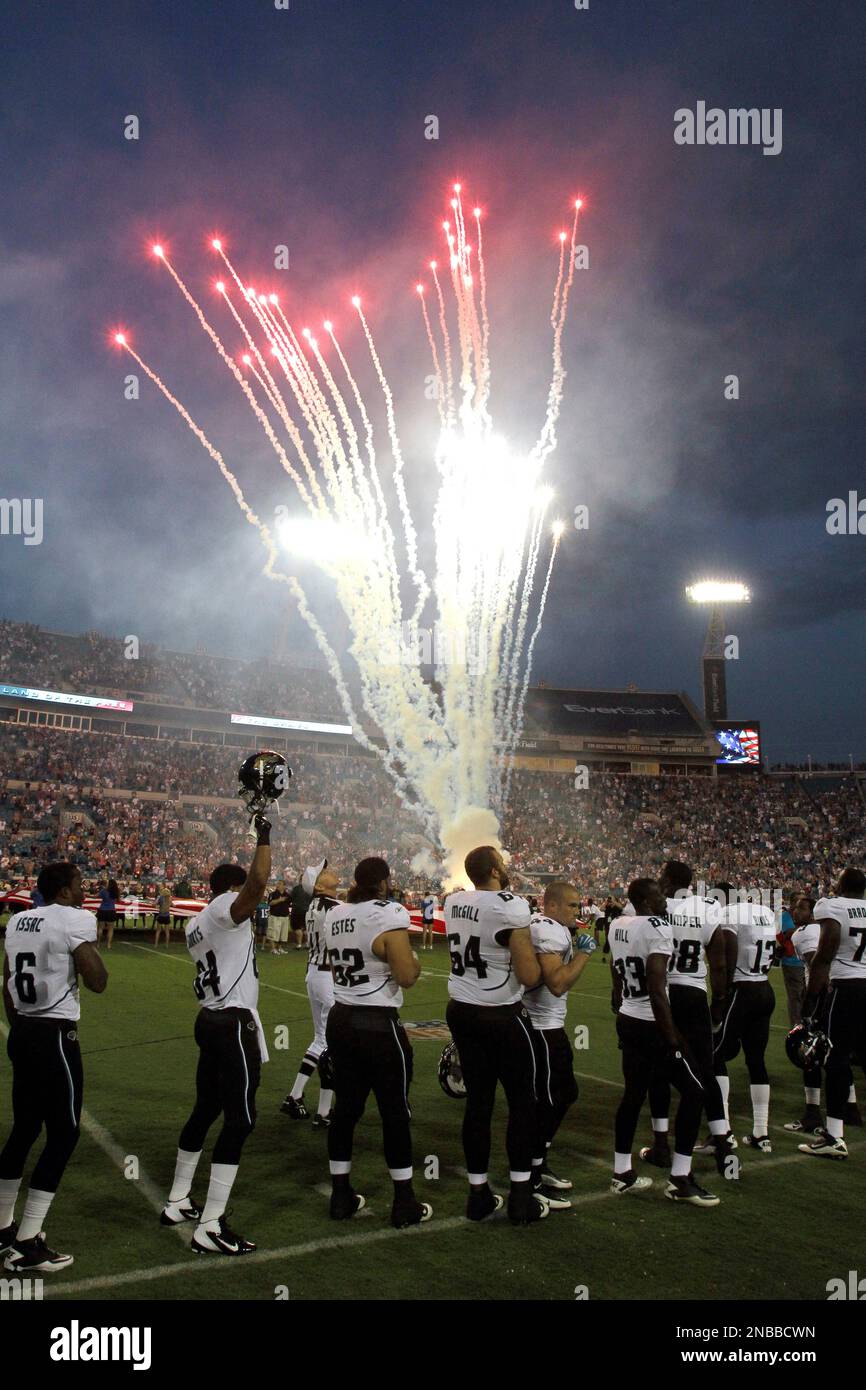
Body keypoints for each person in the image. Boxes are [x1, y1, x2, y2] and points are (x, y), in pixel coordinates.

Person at [160, 813, 272, 1254]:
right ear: (231, 887)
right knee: (240, 1118)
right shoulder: (228, 907)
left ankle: (177, 1200)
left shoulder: (196, 923)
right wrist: (264, 833)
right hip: (231, 1021)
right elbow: (257, 886)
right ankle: (210, 1225)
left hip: (208, 1019)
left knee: (205, 1109)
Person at [1, 862, 108, 1272]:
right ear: (64, 890)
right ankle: (27, 1243)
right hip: (55, 1034)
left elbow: (7, 981)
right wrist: (87, 950)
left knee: (24, 1129)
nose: (85, 889)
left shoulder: (19, 920)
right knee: (64, 1134)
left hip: (23, 1030)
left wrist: (20, 1028)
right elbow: (98, 981)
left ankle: (2, 1227)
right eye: (80, 883)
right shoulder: (74, 919)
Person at [444, 845, 549, 1226]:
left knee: (479, 1105)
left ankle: (478, 1194)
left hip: (461, 1010)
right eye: (501, 863)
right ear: (492, 869)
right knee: (523, 1103)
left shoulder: (454, 902)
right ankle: (521, 1196)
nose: (506, 867)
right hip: (500, 1014)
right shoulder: (510, 905)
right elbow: (529, 975)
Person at [323, 857, 430, 1229]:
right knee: (395, 1113)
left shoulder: (335, 914)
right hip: (377, 1023)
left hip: (341, 1018)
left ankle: (340, 1195)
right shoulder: (389, 913)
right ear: (383, 882)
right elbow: (406, 975)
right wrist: (414, 961)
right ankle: (404, 1201)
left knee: (346, 1109)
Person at [609, 877, 717, 1207]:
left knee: (633, 1094)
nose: (664, 900)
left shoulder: (618, 924)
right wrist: (673, 1038)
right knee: (695, 1090)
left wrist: (621, 1003)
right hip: (651, 1023)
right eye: (657, 896)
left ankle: (622, 1172)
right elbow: (657, 987)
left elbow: (617, 975)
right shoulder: (657, 926)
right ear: (644, 900)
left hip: (628, 1016)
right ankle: (680, 1179)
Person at [639, 861, 730, 1175]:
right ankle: (723, 1142)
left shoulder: (653, 904)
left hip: (664, 995)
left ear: (665, 879)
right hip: (693, 994)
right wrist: (719, 1001)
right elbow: (718, 964)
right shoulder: (708, 907)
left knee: (659, 1071)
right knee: (705, 1070)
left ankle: (661, 1143)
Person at [522, 881, 596, 1201]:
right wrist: (582, 955)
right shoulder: (548, 928)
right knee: (550, 1099)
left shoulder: (542, 925)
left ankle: (538, 1162)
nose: (577, 912)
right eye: (571, 906)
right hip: (541, 1027)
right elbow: (557, 983)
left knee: (563, 1094)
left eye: (578, 906)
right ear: (550, 905)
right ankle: (531, 1176)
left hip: (544, 1024)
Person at [798, 867, 866, 1160]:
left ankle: (834, 1136)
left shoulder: (833, 906)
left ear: (840, 885)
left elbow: (824, 955)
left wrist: (811, 1000)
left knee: (834, 1058)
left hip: (845, 987)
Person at [710, 884, 777, 1152]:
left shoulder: (728, 913)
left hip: (742, 989)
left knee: (716, 1055)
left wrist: (722, 995)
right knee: (756, 1060)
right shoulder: (765, 911)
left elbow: (729, 952)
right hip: (765, 987)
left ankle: (723, 1131)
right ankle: (761, 1133)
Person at [281, 858, 338, 1127]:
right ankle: (304, 1101)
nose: (330, 872)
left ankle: (315, 1107)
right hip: (328, 976)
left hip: (315, 972)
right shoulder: (333, 906)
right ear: (318, 885)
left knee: (323, 1041)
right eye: (323, 872)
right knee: (330, 1043)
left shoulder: (314, 904)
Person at [777, 895, 807, 1027]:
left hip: (803, 961)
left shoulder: (800, 918)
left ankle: (802, 1023)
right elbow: (787, 934)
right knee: (795, 996)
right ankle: (796, 1026)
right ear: (793, 903)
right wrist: (808, 926)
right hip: (792, 961)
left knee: (803, 995)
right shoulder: (785, 917)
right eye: (799, 903)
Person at [266, 879, 291, 955]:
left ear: (284, 886)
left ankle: (280, 948)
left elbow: (289, 904)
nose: (277, 885)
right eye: (277, 884)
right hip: (275, 916)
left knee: (282, 934)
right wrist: (279, 900)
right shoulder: (273, 894)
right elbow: (270, 903)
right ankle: (273, 949)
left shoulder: (287, 895)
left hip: (285, 916)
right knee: (273, 933)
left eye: (279, 884)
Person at [289, 874, 311, 950]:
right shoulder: (310, 889)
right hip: (307, 911)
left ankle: (299, 944)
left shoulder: (296, 889)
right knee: (306, 928)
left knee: (297, 928)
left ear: (300, 879)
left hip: (297, 911)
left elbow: (290, 898)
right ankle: (308, 944)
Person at [96, 877, 119, 950]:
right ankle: (108, 944)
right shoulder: (116, 891)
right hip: (111, 911)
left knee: (100, 928)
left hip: (102, 910)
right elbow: (118, 900)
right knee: (111, 929)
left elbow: (96, 897)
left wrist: (87, 896)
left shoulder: (104, 890)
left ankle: (98, 944)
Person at [153, 883, 173, 948]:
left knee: (158, 931)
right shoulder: (169, 898)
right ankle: (166, 945)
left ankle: (156, 944)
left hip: (161, 915)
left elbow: (154, 904)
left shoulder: (160, 897)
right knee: (167, 931)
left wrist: (155, 904)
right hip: (167, 915)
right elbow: (173, 905)